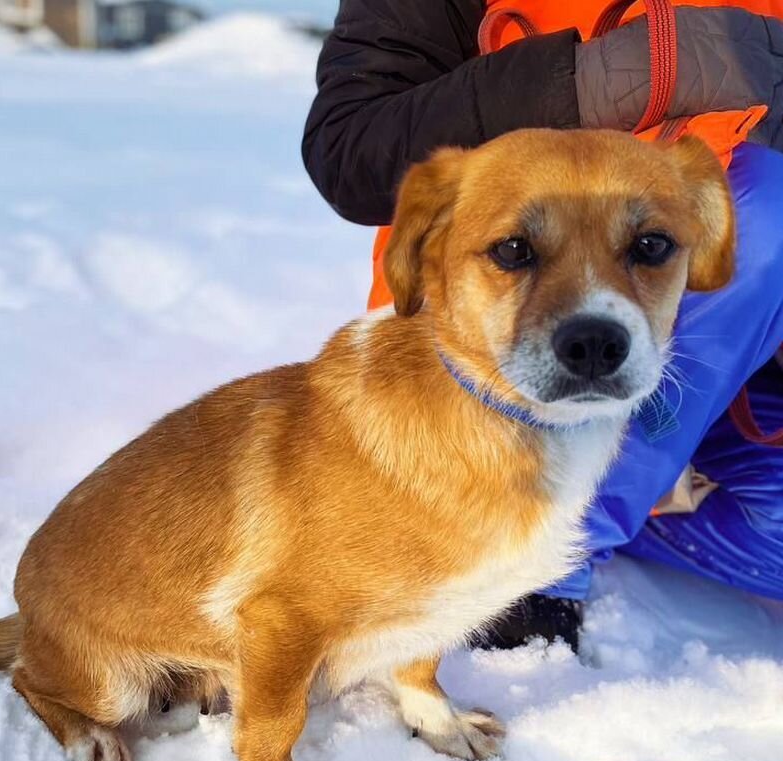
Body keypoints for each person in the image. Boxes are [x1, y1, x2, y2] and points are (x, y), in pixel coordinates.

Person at [302, 0, 783, 651]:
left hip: (713, 364)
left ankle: (630, 500)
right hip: (482, 375)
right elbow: (349, 144)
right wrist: (609, 76)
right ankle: (547, 550)